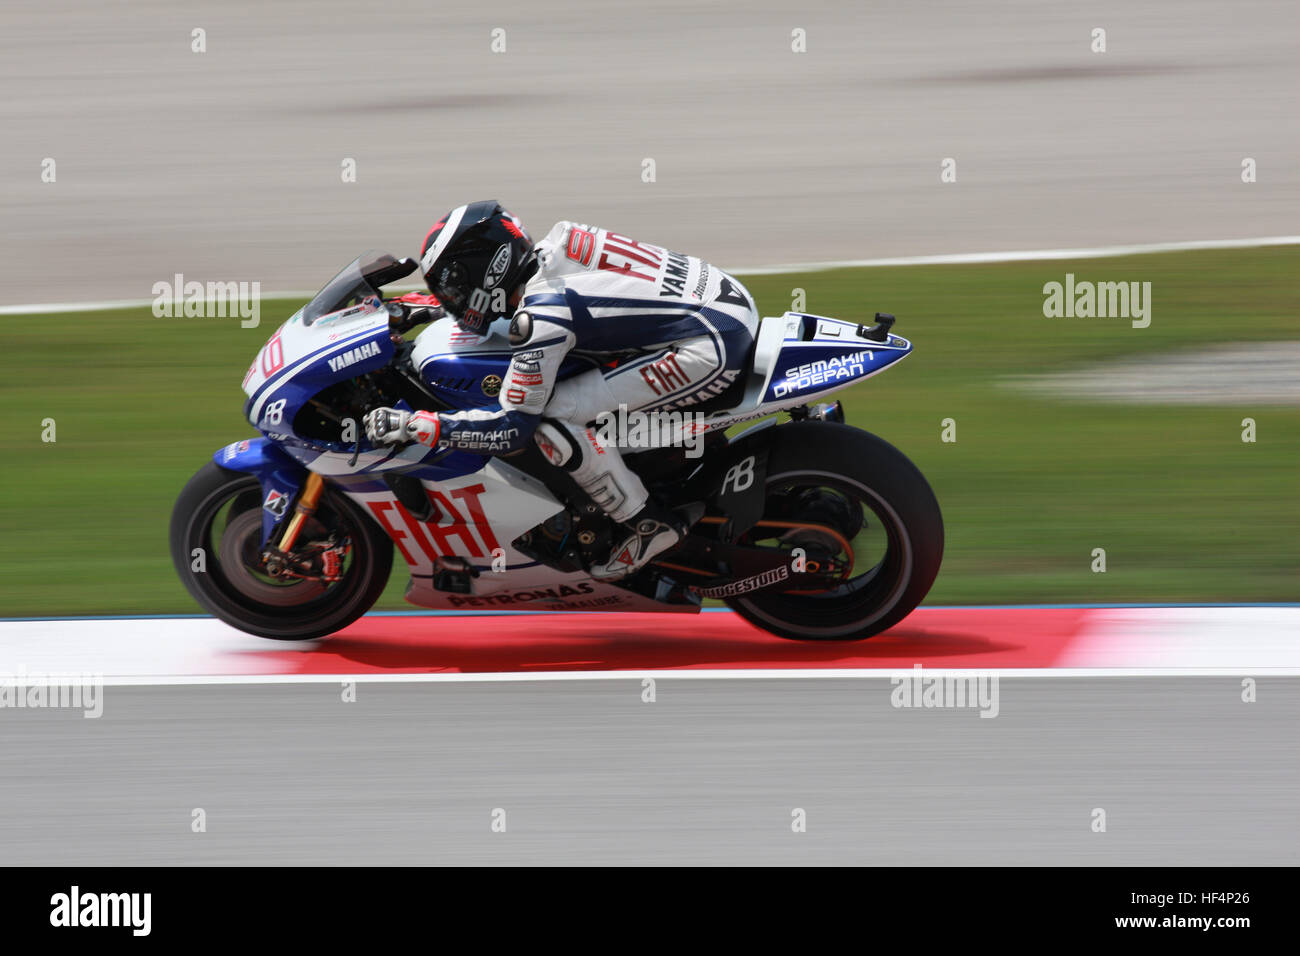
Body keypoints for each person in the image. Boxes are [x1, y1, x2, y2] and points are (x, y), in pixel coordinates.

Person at [364, 200, 759, 580]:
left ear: (487, 271)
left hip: (708, 346)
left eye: (454, 288)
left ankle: (647, 524)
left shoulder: (541, 318)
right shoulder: (560, 242)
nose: (451, 300)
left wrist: (418, 426)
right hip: (724, 301)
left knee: (553, 418)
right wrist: (423, 307)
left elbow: (511, 429)